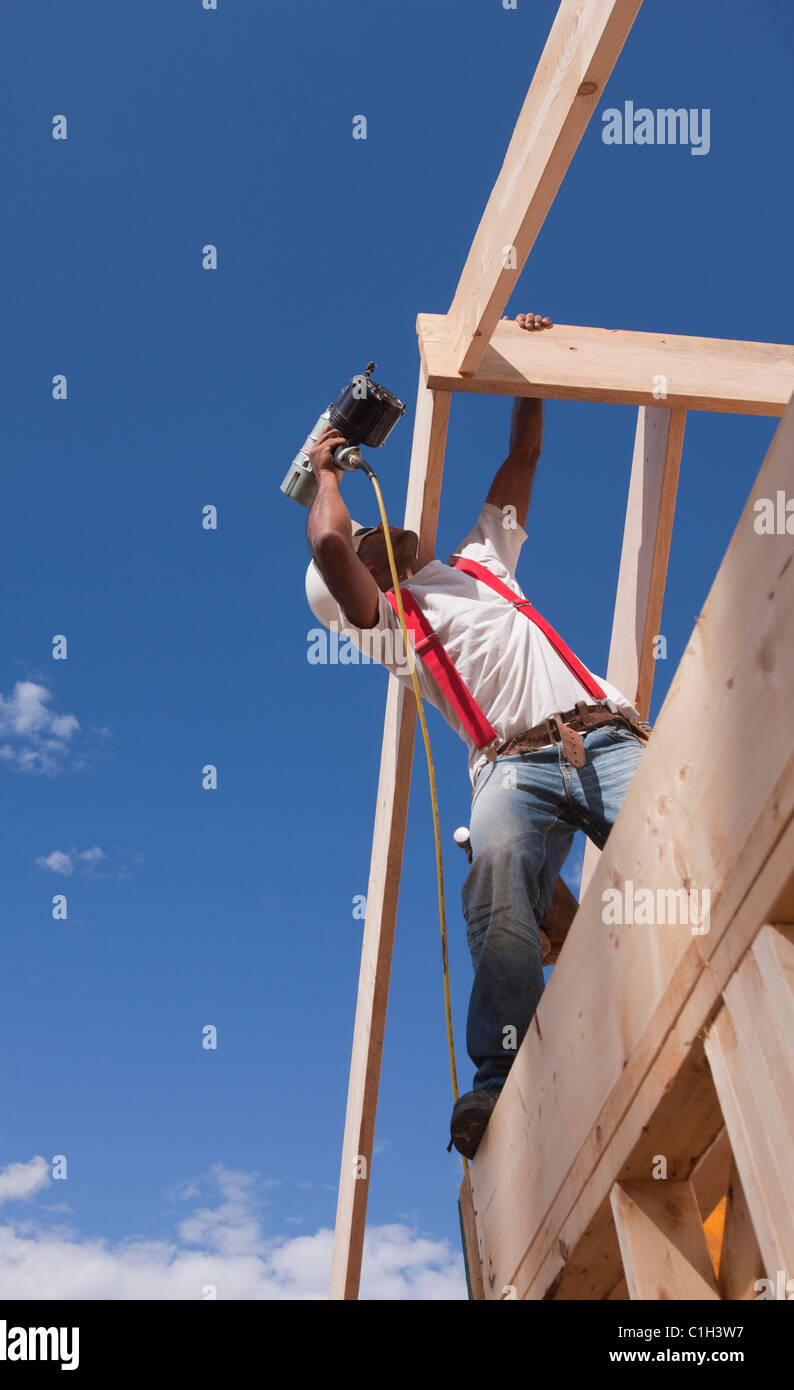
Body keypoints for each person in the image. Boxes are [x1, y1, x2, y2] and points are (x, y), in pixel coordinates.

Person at [304, 313, 650, 1159]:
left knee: (680, 841)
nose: (384, 543)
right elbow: (325, 543)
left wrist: (527, 364)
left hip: (602, 737)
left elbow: (523, 454)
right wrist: (324, 470)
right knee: (498, 882)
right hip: (510, 769)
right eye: (370, 547)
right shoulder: (391, 629)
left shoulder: (480, 560)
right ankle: (500, 1081)